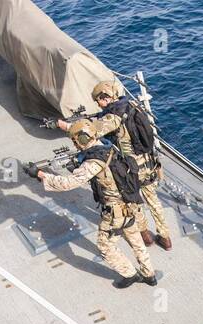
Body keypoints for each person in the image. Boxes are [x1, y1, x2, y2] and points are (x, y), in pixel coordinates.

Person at [27, 118, 156, 289]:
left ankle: (130, 274)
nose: (75, 144)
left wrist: (41, 175)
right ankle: (149, 274)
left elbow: (67, 183)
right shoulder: (107, 147)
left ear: (82, 140)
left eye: (76, 140)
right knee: (136, 240)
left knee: (105, 245)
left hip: (115, 211)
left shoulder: (93, 162)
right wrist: (62, 125)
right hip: (131, 204)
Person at [59, 80, 172, 251]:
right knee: (153, 201)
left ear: (105, 98)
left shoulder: (113, 117)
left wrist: (67, 126)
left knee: (134, 202)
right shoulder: (132, 105)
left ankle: (145, 236)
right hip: (148, 162)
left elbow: (91, 132)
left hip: (131, 168)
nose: (98, 104)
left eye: (99, 100)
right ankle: (165, 237)